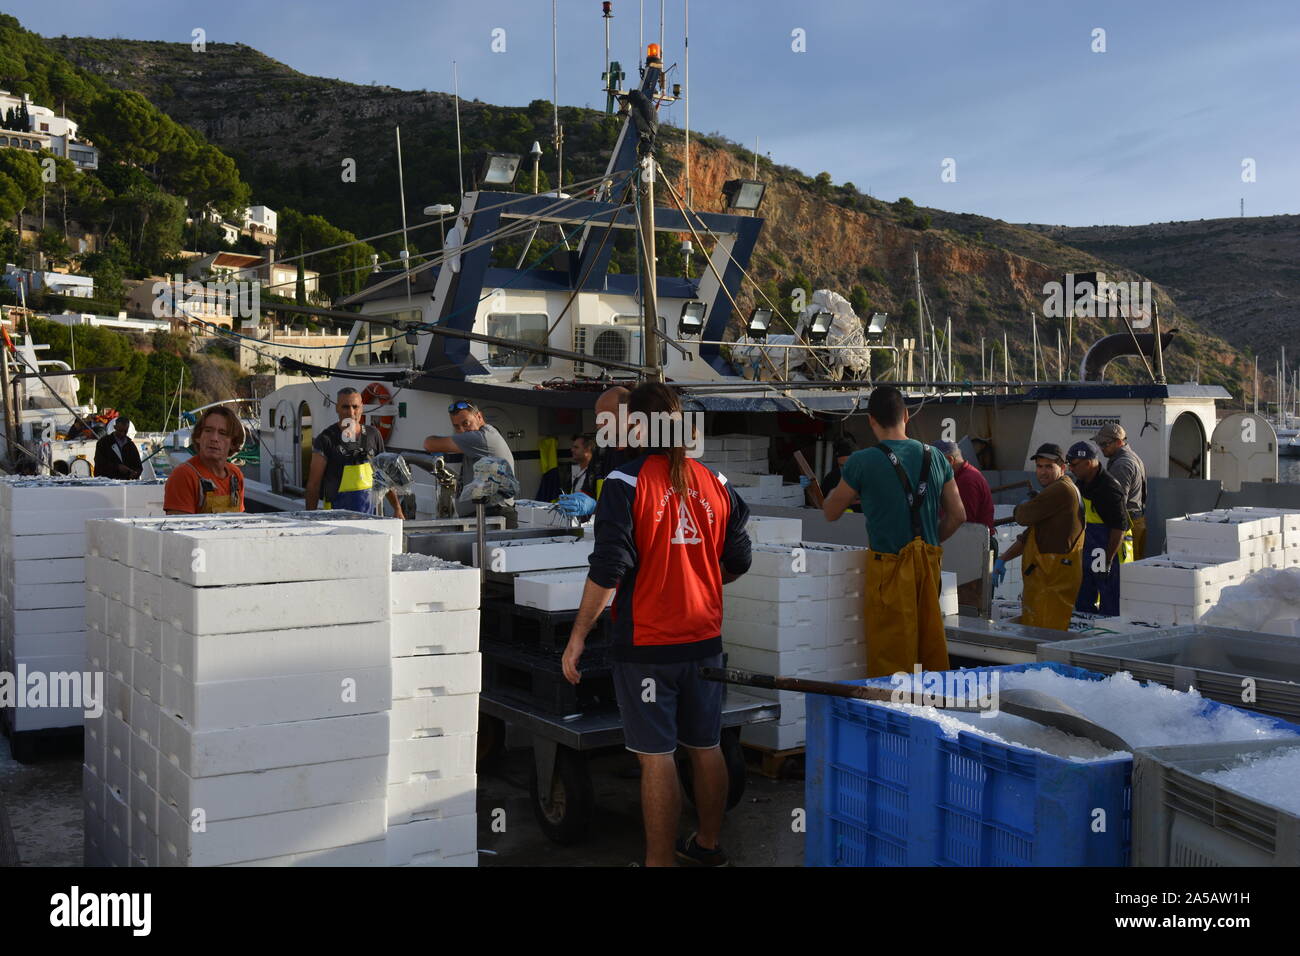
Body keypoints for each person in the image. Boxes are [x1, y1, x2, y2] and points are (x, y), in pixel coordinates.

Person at [562, 382, 752, 867]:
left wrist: (578, 634)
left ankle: (658, 863)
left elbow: (608, 570)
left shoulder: (625, 485)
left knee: (656, 756)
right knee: (705, 746)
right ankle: (708, 846)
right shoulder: (717, 482)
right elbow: (738, 559)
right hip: (705, 639)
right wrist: (696, 580)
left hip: (647, 645)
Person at [822, 386, 966, 677]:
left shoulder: (862, 461)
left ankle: (895, 715)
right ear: (906, 415)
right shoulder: (936, 457)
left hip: (888, 567)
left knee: (891, 656)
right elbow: (958, 515)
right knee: (930, 648)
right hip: (928, 564)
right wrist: (930, 541)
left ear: (871, 420)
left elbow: (830, 512)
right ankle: (933, 711)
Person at [995, 443, 1084, 631]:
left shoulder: (1060, 489)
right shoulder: (1057, 489)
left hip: (1051, 581)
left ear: (1063, 468)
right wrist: (1003, 559)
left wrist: (1023, 505)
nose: (1042, 472)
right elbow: (1029, 536)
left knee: (1044, 637)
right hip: (1045, 580)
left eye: (1049, 466)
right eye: (1039, 466)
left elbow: (1022, 516)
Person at [305, 387, 404, 517]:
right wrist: (308, 518)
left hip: (370, 518)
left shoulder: (373, 435)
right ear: (337, 408)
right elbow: (313, 485)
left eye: (355, 407)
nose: (351, 413)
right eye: (345, 407)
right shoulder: (326, 439)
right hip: (335, 520)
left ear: (362, 408)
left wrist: (397, 509)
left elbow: (385, 476)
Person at [423, 400, 518, 525]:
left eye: (466, 423)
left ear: (479, 416)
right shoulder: (485, 435)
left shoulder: (481, 438)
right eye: (456, 426)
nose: (462, 430)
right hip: (486, 516)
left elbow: (429, 444)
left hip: (492, 516)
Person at [1067, 440, 1132, 617]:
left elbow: (1119, 527)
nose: (1070, 469)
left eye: (1074, 465)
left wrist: (1108, 560)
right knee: (1083, 600)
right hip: (1090, 550)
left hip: (1109, 551)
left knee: (1110, 603)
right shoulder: (1081, 485)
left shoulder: (1109, 488)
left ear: (1089, 463)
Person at [933, 440, 994, 608]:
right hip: (970, 548)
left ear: (950, 461)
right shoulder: (961, 477)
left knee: (968, 606)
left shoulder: (966, 481)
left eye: (936, 463)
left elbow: (964, 524)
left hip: (973, 552)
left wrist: (935, 538)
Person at [163, 406, 246, 514]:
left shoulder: (235, 475)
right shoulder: (184, 475)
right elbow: (177, 528)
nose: (214, 438)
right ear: (198, 436)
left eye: (222, 433)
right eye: (208, 431)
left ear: (233, 443)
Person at [1094, 423, 1148, 559]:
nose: (1101, 448)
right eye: (1099, 444)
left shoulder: (1121, 465)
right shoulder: (1132, 457)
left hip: (1128, 525)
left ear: (1119, 442)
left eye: (1104, 444)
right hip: (1136, 521)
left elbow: (1116, 504)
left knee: (1125, 573)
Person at [536, 434, 599, 502]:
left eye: (576, 447)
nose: (572, 450)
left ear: (587, 450)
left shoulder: (597, 473)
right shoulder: (570, 471)